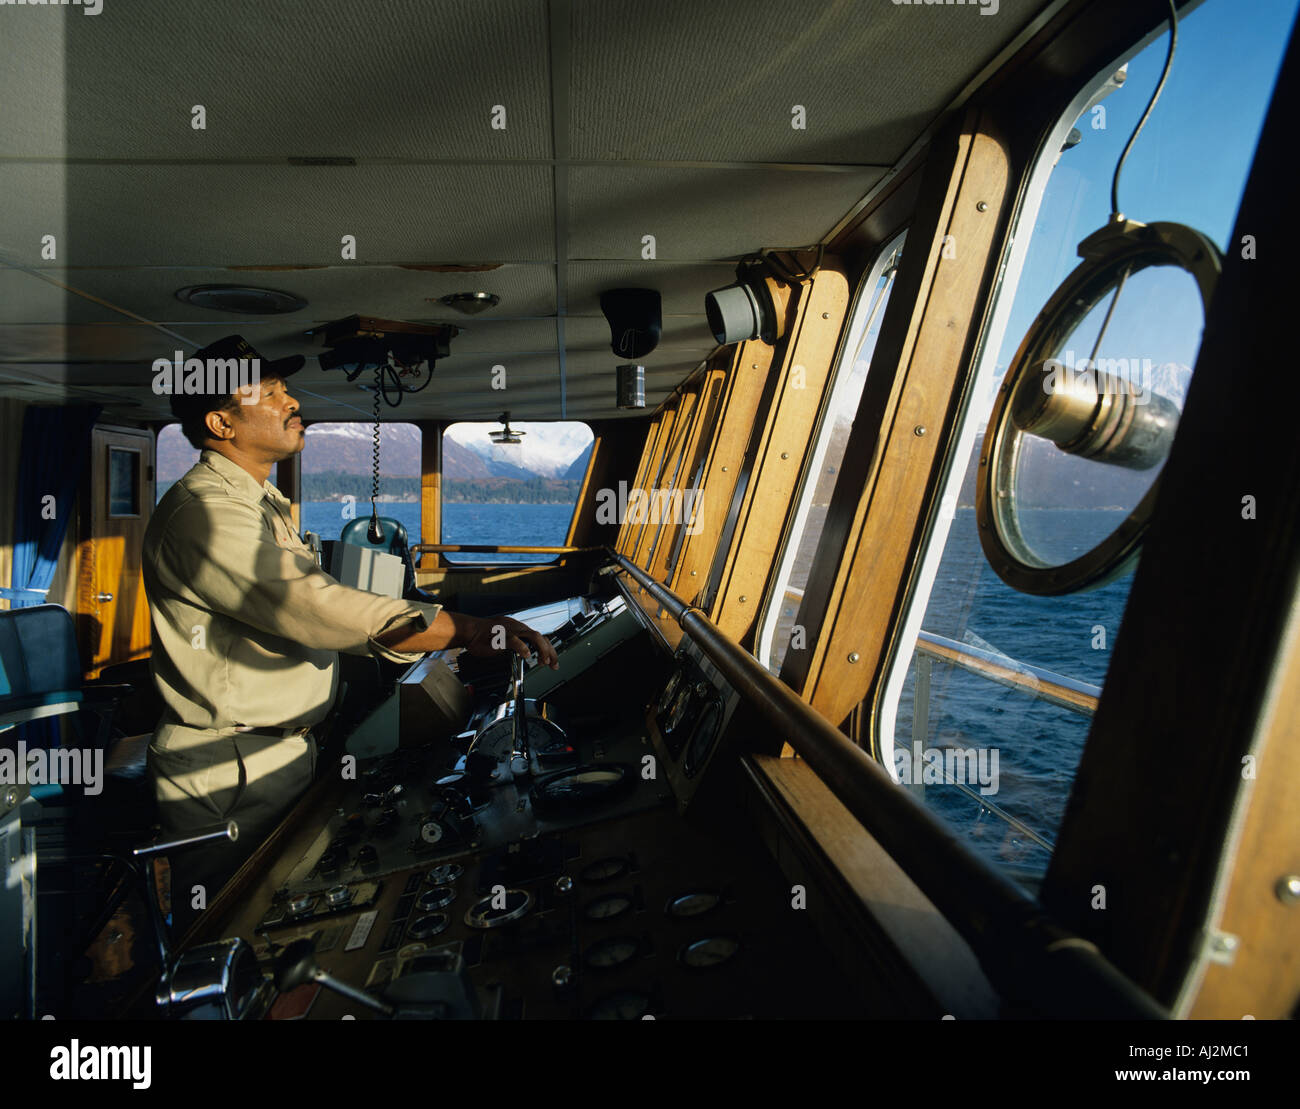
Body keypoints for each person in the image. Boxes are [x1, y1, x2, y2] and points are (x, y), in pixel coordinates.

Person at [142, 335, 556, 937]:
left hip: (279, 752)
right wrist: (463, 629)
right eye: (270, 392)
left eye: (286, 389)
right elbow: (313, 606)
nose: (291, 401)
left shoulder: (257, 504)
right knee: (229, 940)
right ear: (220, 423)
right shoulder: (205, 515)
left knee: (282, 925)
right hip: (227, 771)